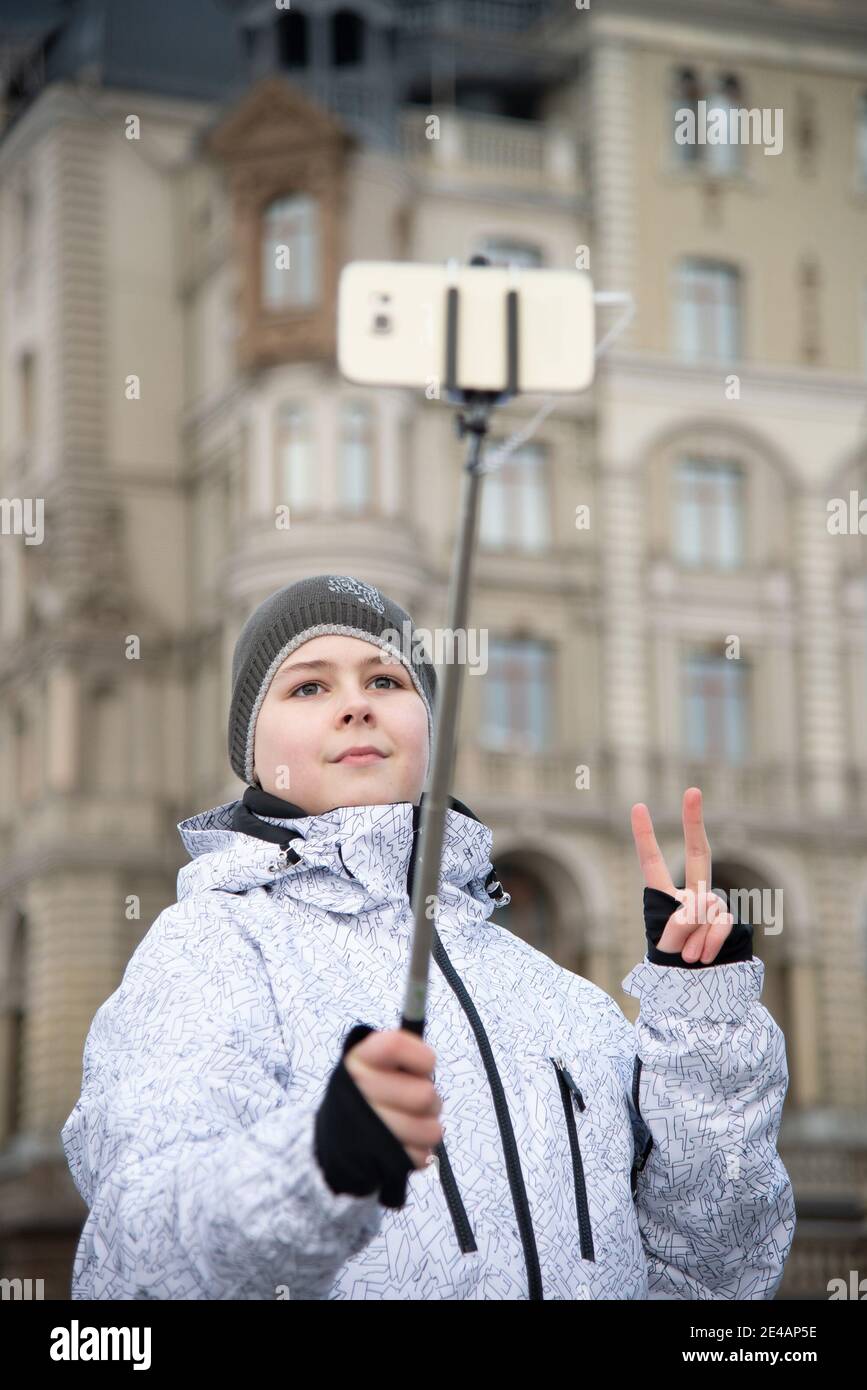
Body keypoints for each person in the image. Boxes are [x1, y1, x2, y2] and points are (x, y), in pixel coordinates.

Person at [60, 573, 796, 1300]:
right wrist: (316, 1166)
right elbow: (143, 1248)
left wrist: (705, 1027)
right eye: (308, 687)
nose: (355, 706)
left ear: (429, 732)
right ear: (253, 752)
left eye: (385, 680)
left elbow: (712, 1276)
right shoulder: (207, 949)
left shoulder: (561, 999)